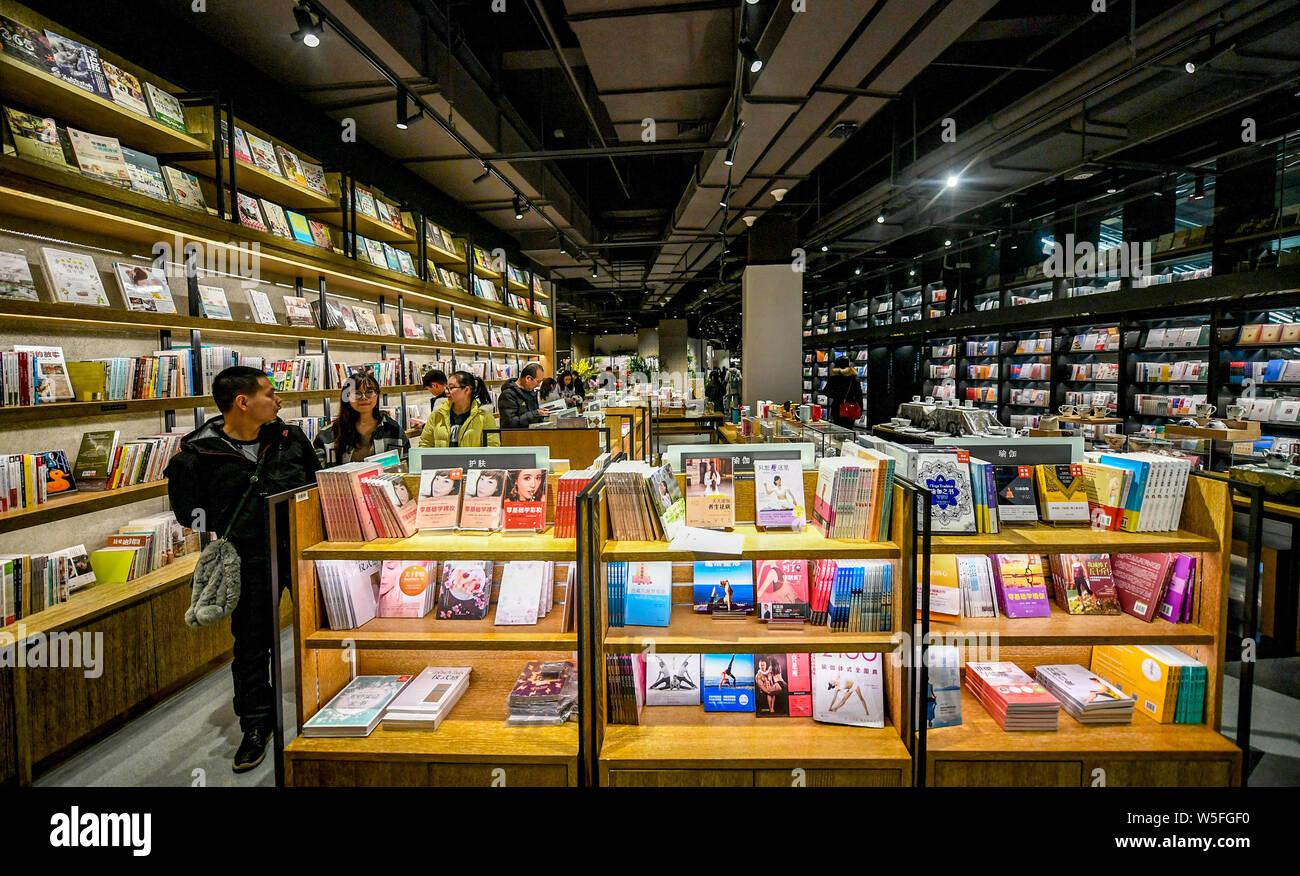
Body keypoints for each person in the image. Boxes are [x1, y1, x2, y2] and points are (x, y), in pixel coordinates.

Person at [164, 365, 321, 773]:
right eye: (270, 393)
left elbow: (316, 483)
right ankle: (256, 724)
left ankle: (325, 703)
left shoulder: (289, 437)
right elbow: (188, 514)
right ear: (243, 401)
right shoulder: (197, 454)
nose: (278, 399)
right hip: (247, 558)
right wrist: (231, 524)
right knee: (252, 644)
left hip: (300, 549)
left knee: (318, 628)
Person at [312, 371, 409, 464]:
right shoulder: (327, 435)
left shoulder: (394, 430)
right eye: (357, 393)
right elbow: (317, 473)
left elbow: (406, 466)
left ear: (377, 395)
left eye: (369, 392)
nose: (363, 397)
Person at [418, 370, 501, 447]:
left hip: (471, 462)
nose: (447, 391)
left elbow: (492, 447)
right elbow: (425, 443)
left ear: (467, 390)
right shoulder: (438, 414)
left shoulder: (484, 416)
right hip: (442, 463)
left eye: (451, 387)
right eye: (447, 388)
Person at [822, 355, 864, 429]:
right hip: (851, 408)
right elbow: (859, 395)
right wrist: (860, 408)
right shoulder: (853, 378)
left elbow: (826, 391)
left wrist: (836, 396)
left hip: (837, 407)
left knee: (838, 430)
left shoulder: (835, 377)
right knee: (849, 430)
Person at [498, 362, 545, 427]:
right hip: (517, 436)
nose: (538, 385)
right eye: (538, 381)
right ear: (528, 378)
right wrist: (535, 414)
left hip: (533, 434)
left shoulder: (531, 392)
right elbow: (510, 422)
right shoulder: (508, 394)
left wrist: (541, 415)